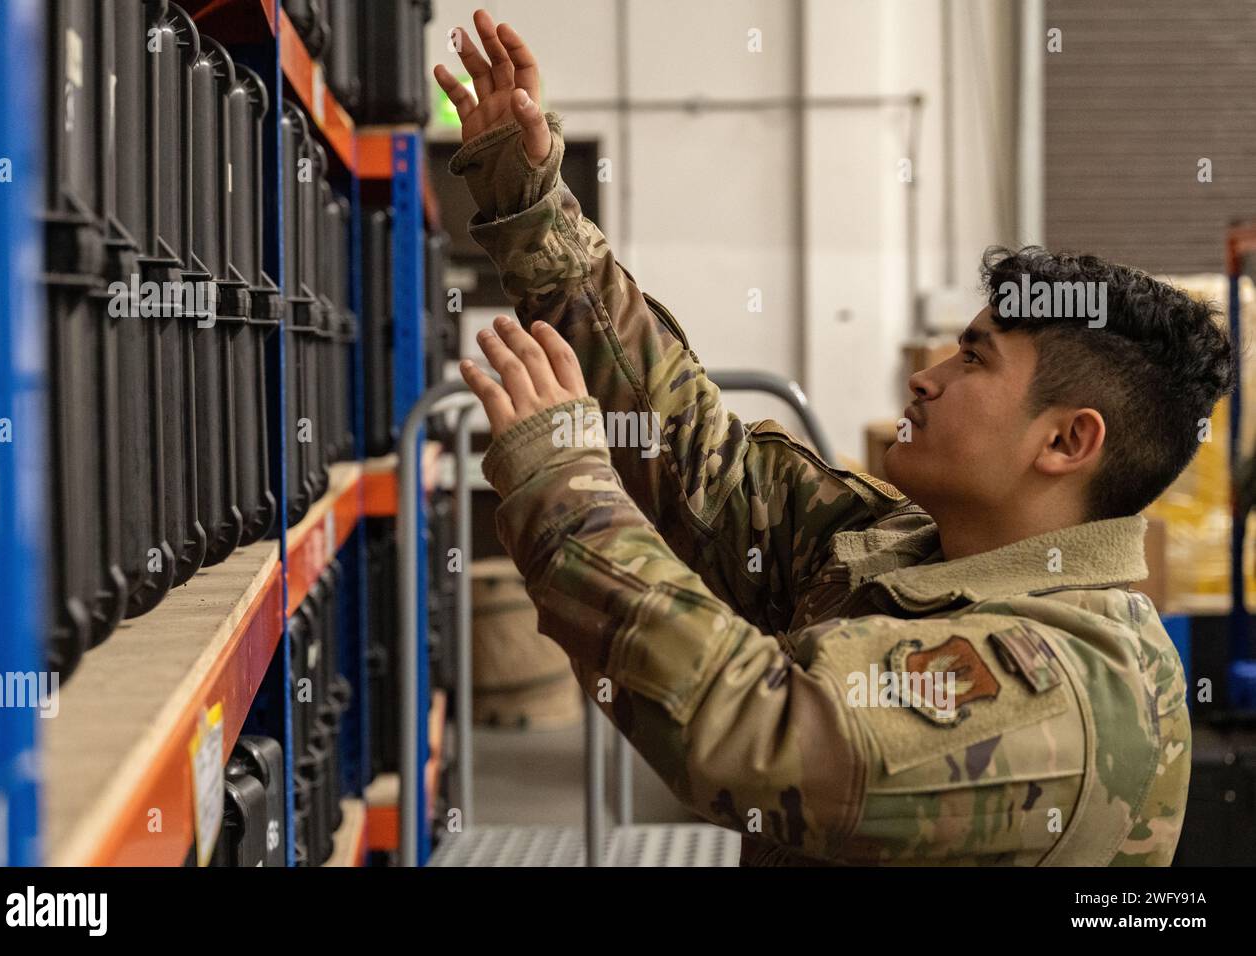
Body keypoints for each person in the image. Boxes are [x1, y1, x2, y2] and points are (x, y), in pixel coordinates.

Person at [434, 9, 1234, 865]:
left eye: (974, 359)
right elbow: (707, 469)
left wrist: (561, 480)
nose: (927, 378)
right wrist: (532, 206)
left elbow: (759, 736)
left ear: (1068, 442)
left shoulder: (1061, 689)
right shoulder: (913, 551)